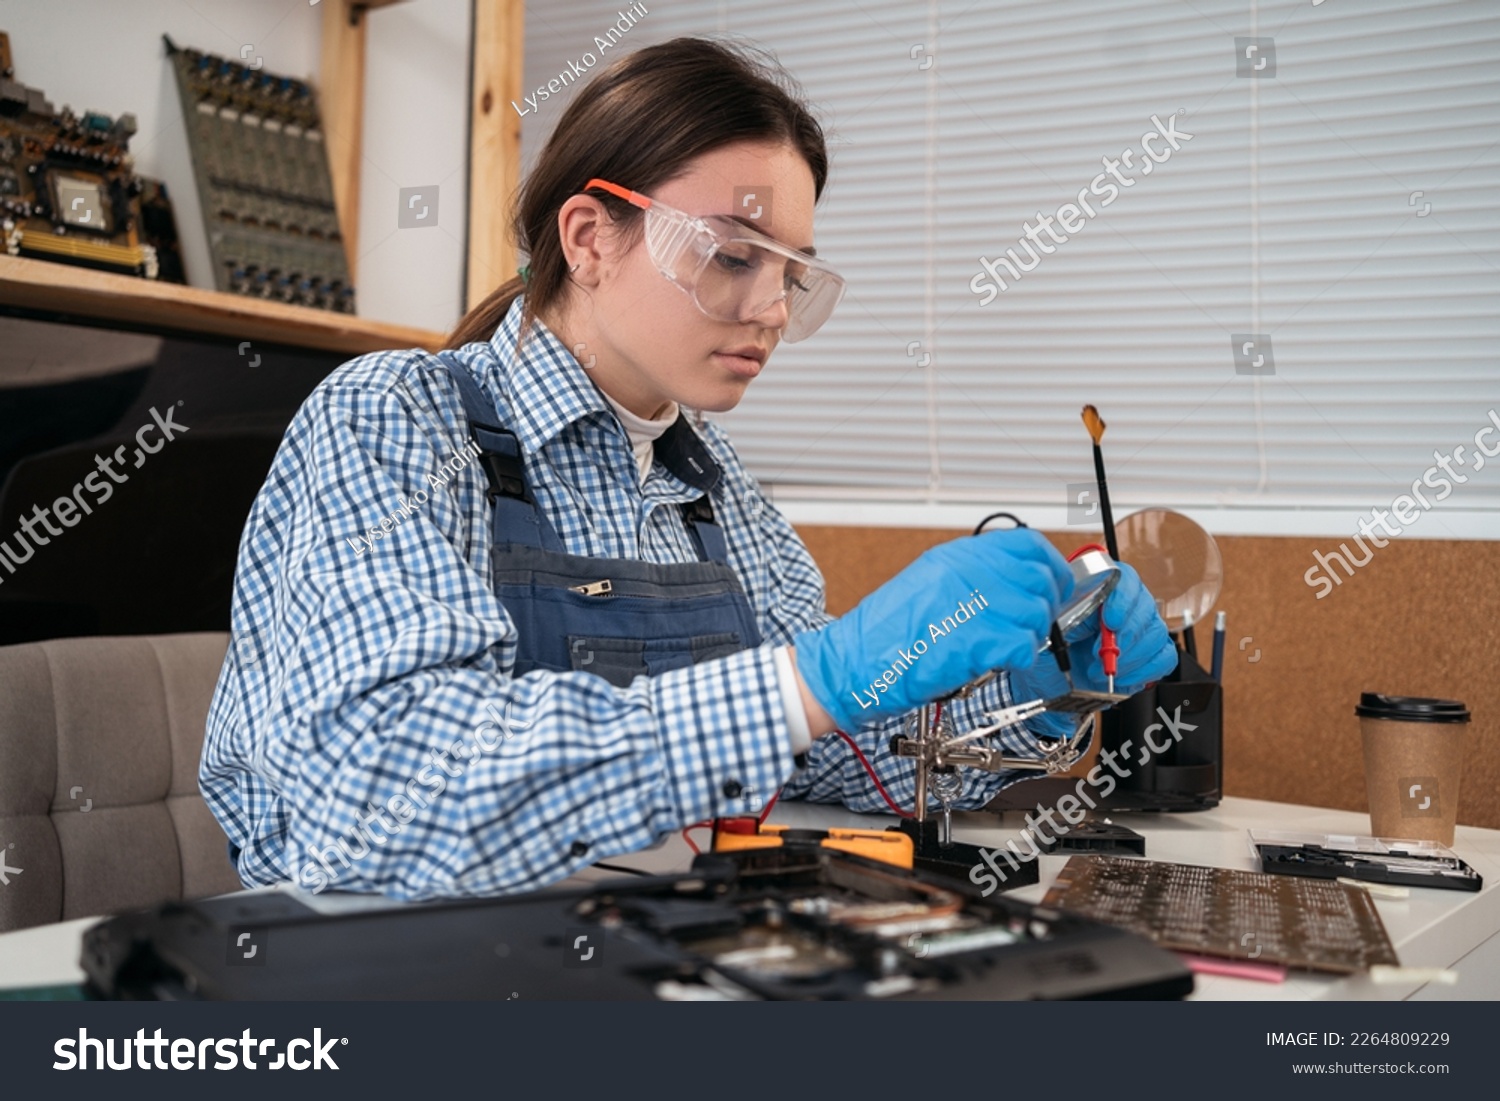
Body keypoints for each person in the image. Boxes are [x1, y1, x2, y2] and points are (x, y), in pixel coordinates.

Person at [200, 36, 1175, 900]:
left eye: (792, 272)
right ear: (589, 238)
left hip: (635, 947)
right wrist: (813, 676)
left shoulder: (715, 488)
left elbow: (826, 759)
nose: (774, 310)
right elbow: (378, 799)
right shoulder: (393, 419)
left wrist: (1032, 692)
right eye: (733, 255)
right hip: (387, 968)